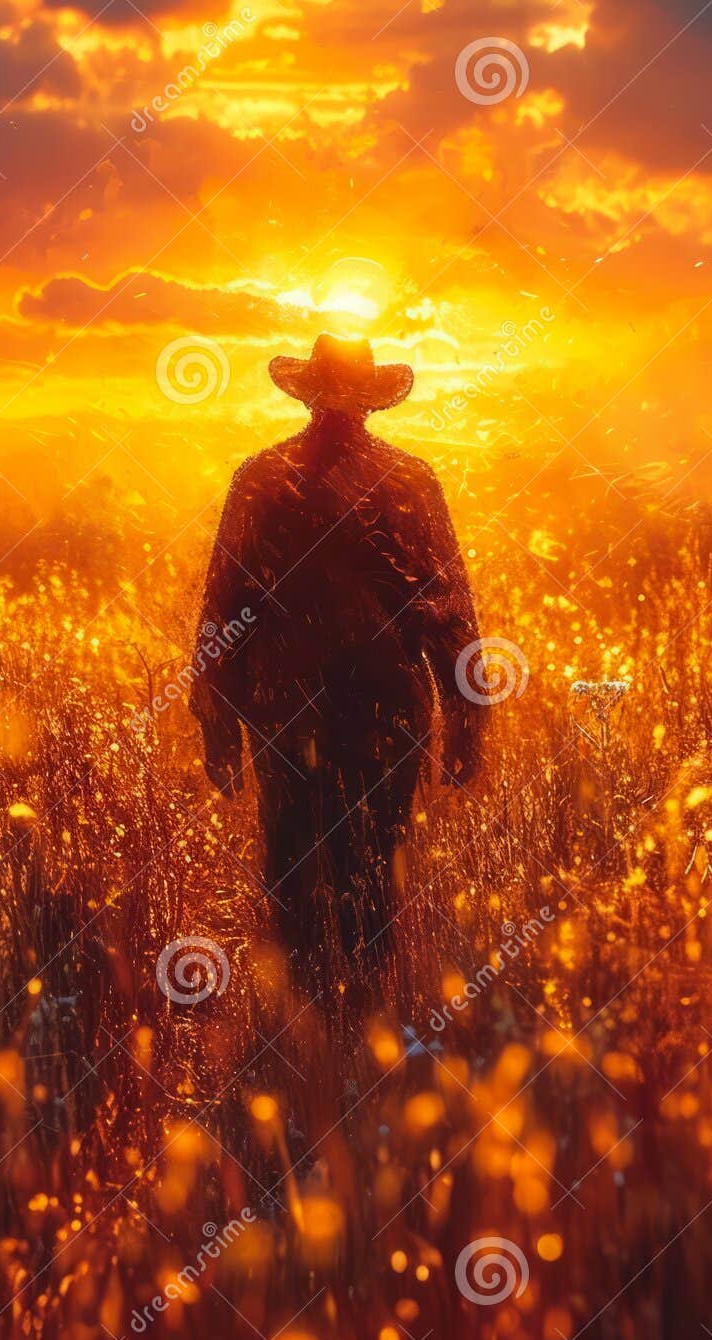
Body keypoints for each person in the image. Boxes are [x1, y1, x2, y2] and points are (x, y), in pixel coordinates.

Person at [190, 333, 483, 994]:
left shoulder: (262, 476)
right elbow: (447, 611)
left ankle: (314, 1027)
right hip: (379, 712)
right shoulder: (406, 478)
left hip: (289, 709)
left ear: (313, 396)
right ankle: (351, 1024)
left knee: (300, 864)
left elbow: (223, 607)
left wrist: (217, 719)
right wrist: (468, 715)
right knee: (369, 865)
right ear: (364, 402)